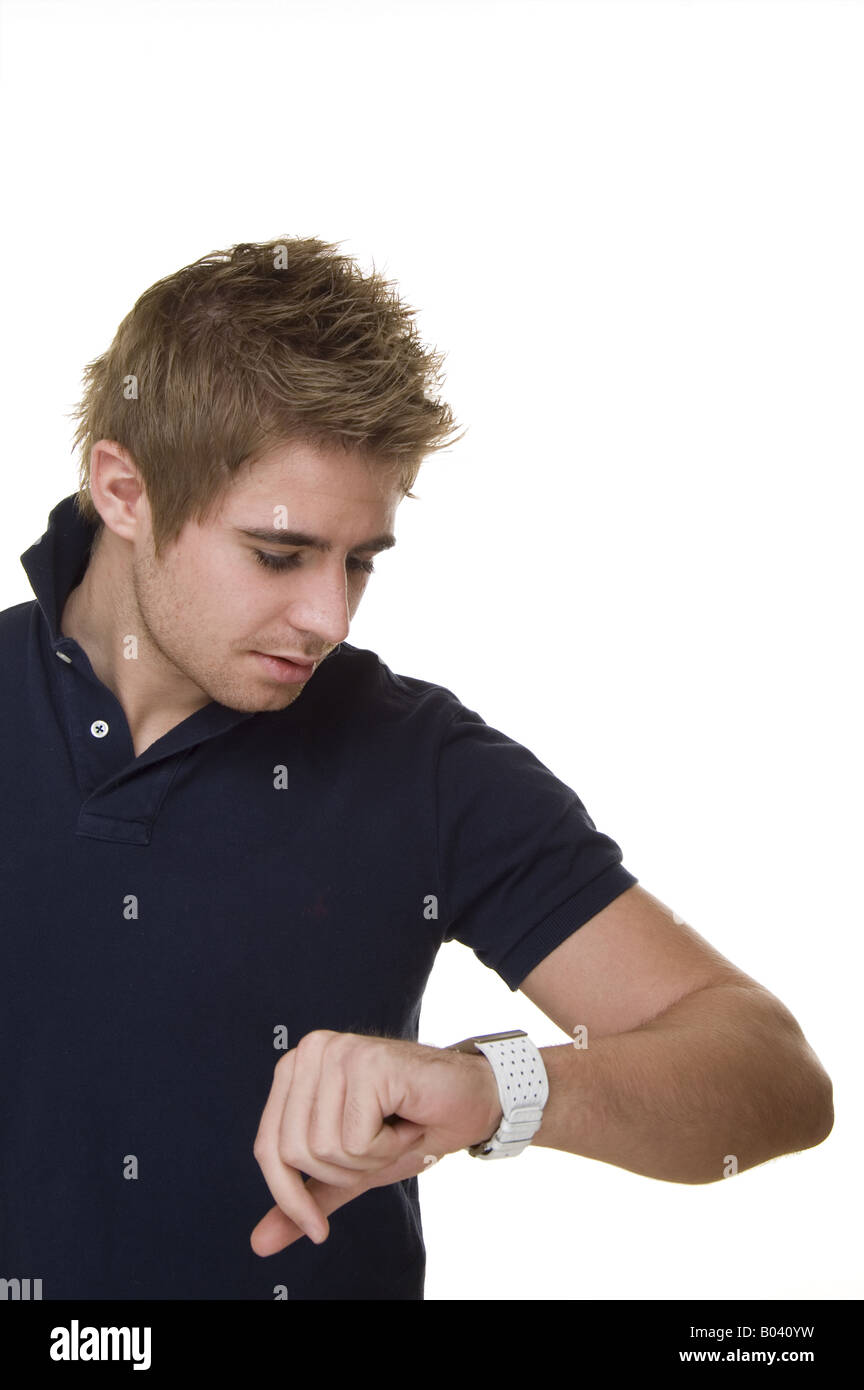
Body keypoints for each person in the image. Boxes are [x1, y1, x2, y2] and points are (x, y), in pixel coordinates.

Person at [0, 236, 833, 1301]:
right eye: (279, 553)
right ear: (123, 489)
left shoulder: (418, 761)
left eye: (360, 562)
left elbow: (770, 1073)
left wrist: (493, 1086)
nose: (328, 618)